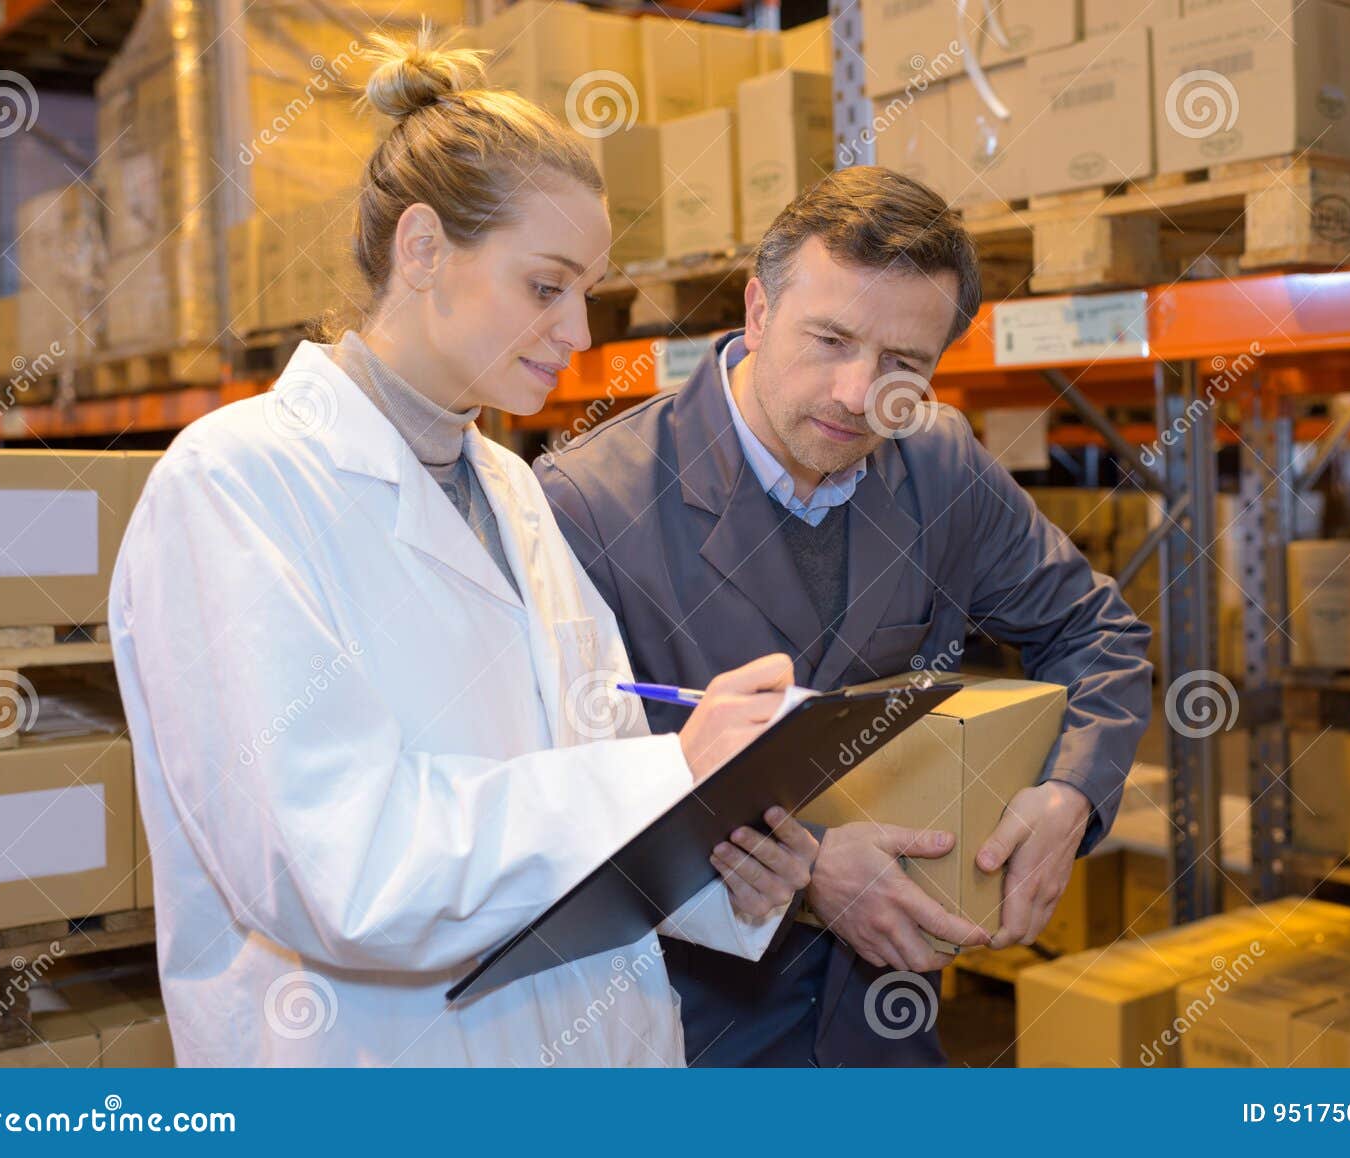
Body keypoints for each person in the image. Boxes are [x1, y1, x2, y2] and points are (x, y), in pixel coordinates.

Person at [108, 36, 818, 1068]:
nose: (578, 327)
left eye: (589, 289)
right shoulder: (237, 485)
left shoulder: (512, 489)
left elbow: (586, 763)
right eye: (545, 286)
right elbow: (338, 869)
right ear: (424, 248)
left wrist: (717, 859)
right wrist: (664, 778)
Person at [535, 166, 1153, 1066]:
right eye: (829, 339)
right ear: (756, 310)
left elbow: (1097, 633)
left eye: (904, 363)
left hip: (889, 1022)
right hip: (691, 1033)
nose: (860, 392)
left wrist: (1071, 794)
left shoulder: (937, 467)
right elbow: (563, 794)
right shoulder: (589, 505)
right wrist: (813, 865)